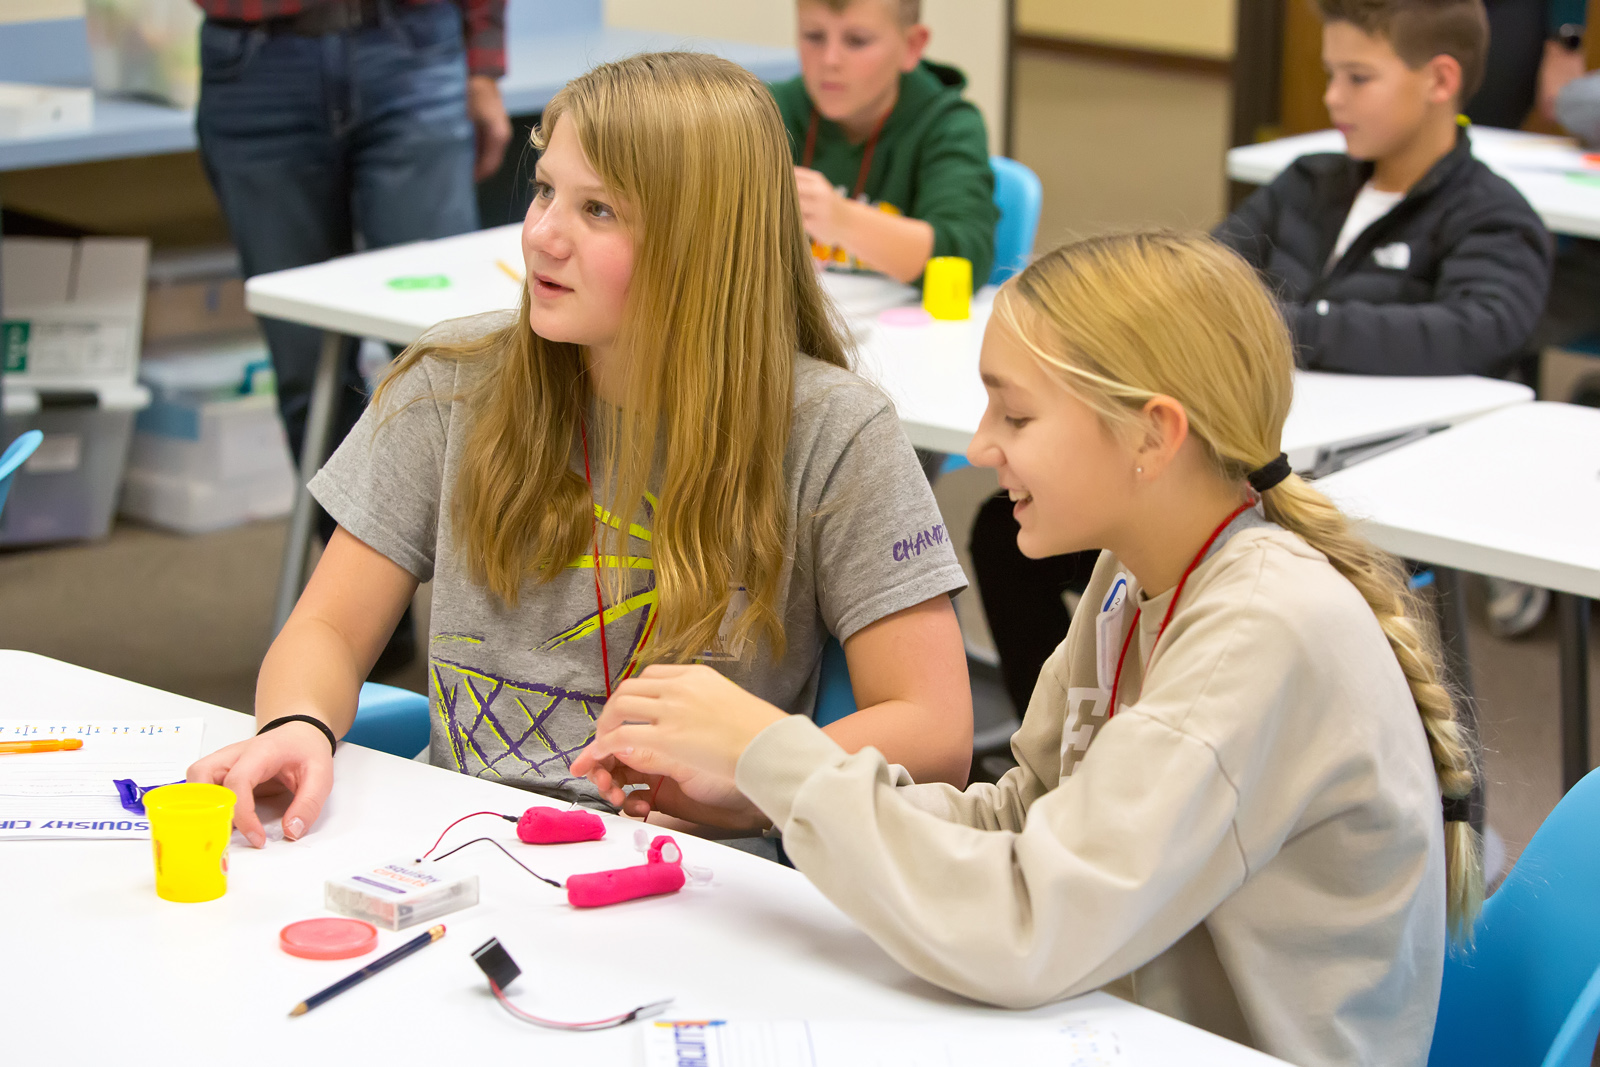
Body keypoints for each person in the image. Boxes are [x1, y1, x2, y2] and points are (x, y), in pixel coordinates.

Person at [574, 232, 1480, 1067]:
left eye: (1015, 416)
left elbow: (1028, 925)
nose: (979, 446)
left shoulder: (1257, 629)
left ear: (1153, 435)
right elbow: (1024, 818)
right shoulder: (1135, 574)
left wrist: (773, 752)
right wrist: (766, 796)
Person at [187, 52, 973, 850]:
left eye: (597, 209)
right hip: (463, 843)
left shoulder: (834, 430)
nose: (541, 235)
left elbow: (933, 727)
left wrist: (754, 779)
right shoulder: (451, 384)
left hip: (690, 869)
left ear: (702, 243)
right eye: (544, 191)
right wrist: (297, 722)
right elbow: (328, 626)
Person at [193, 0, 515, 670]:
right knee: (306, 366)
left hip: (410, 44)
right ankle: (364, 627)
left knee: (464, 361)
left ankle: (507, 626)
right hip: (255, 60)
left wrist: (482, 67)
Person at [768, 0, 997, 284]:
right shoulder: (767, 110)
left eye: (857, 41)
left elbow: (966, 259)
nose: (830, 59)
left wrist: (844, 221)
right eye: (814, 36)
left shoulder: (949, 124)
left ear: (912, 45)